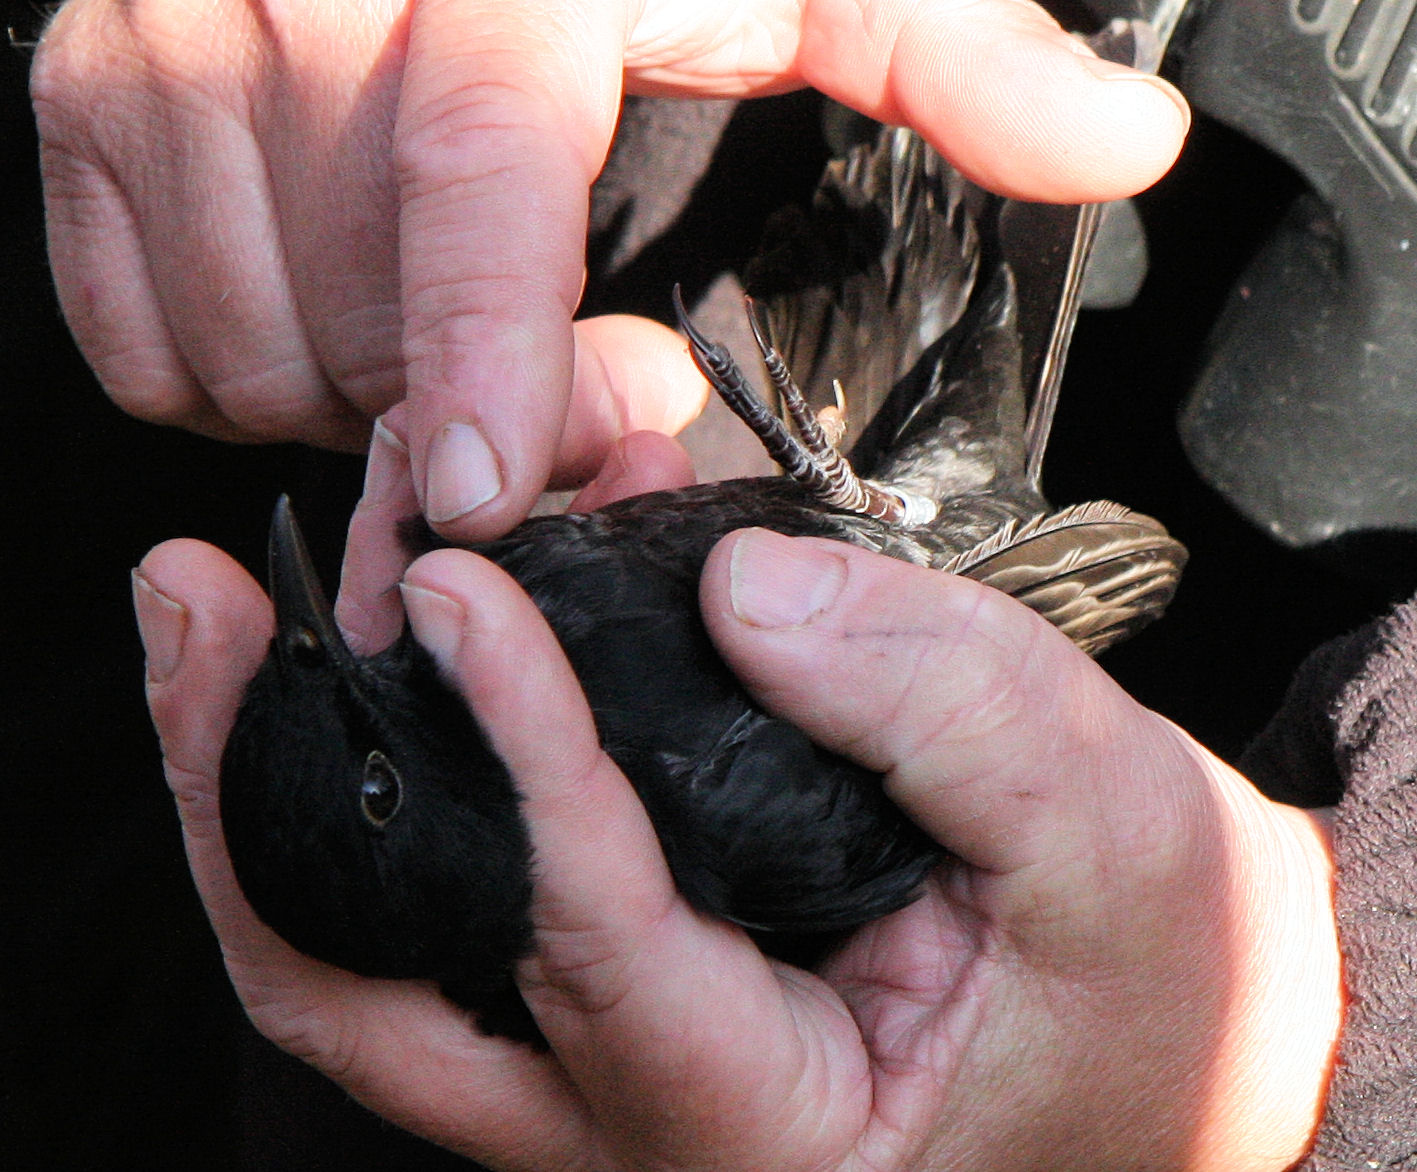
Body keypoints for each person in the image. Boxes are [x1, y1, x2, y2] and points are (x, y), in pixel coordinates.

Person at [29, 0, 1417, 1168]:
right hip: (1017, 606)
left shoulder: (468, 621)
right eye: (373, 775)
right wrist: (1307, 997)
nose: (345, 637)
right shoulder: (692, 829)